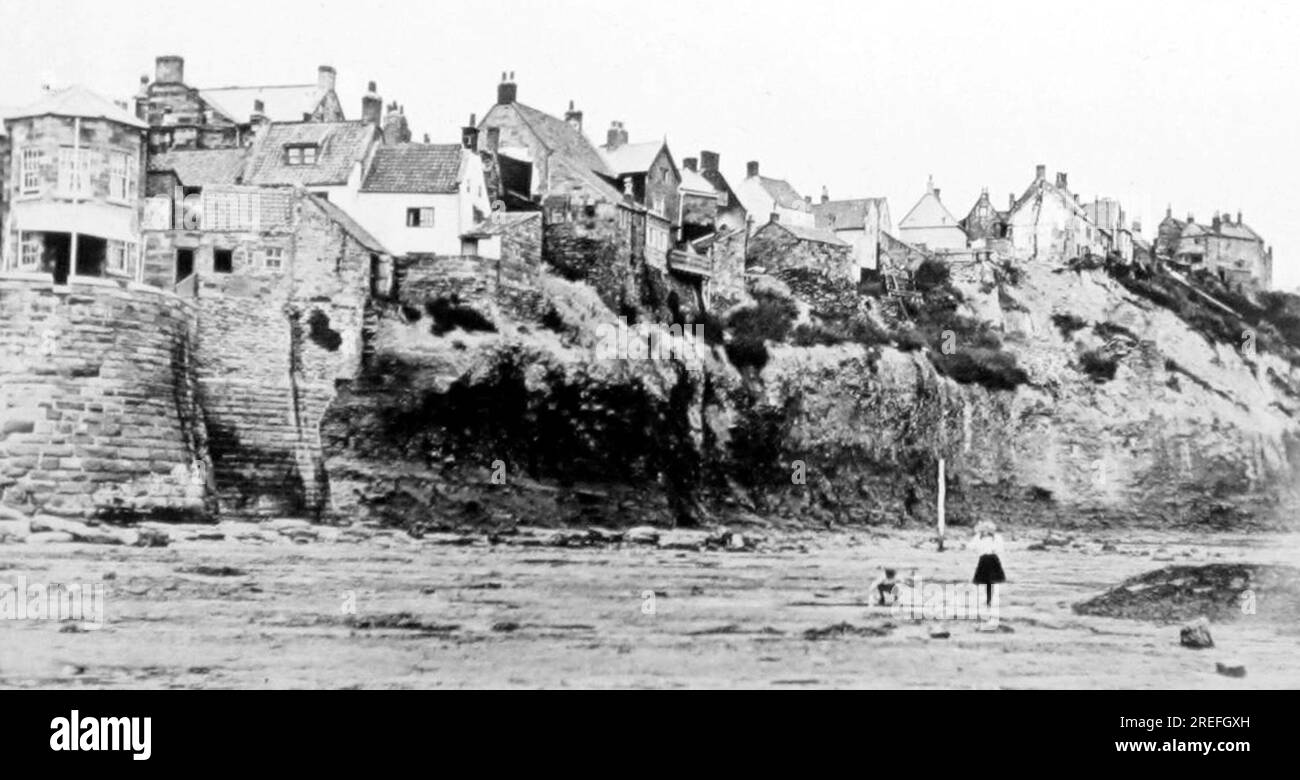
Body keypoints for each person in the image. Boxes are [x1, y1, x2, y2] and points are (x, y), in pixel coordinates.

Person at [969, 520, 1006, 608]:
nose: (985, 531)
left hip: (992, 559)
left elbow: (1000, 548)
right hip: (984, 559)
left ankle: (989, 600)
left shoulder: (996, 537)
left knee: (991, 581)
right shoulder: (978, 537)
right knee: (985, 581)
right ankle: (986, 599)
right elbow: (971, 546)